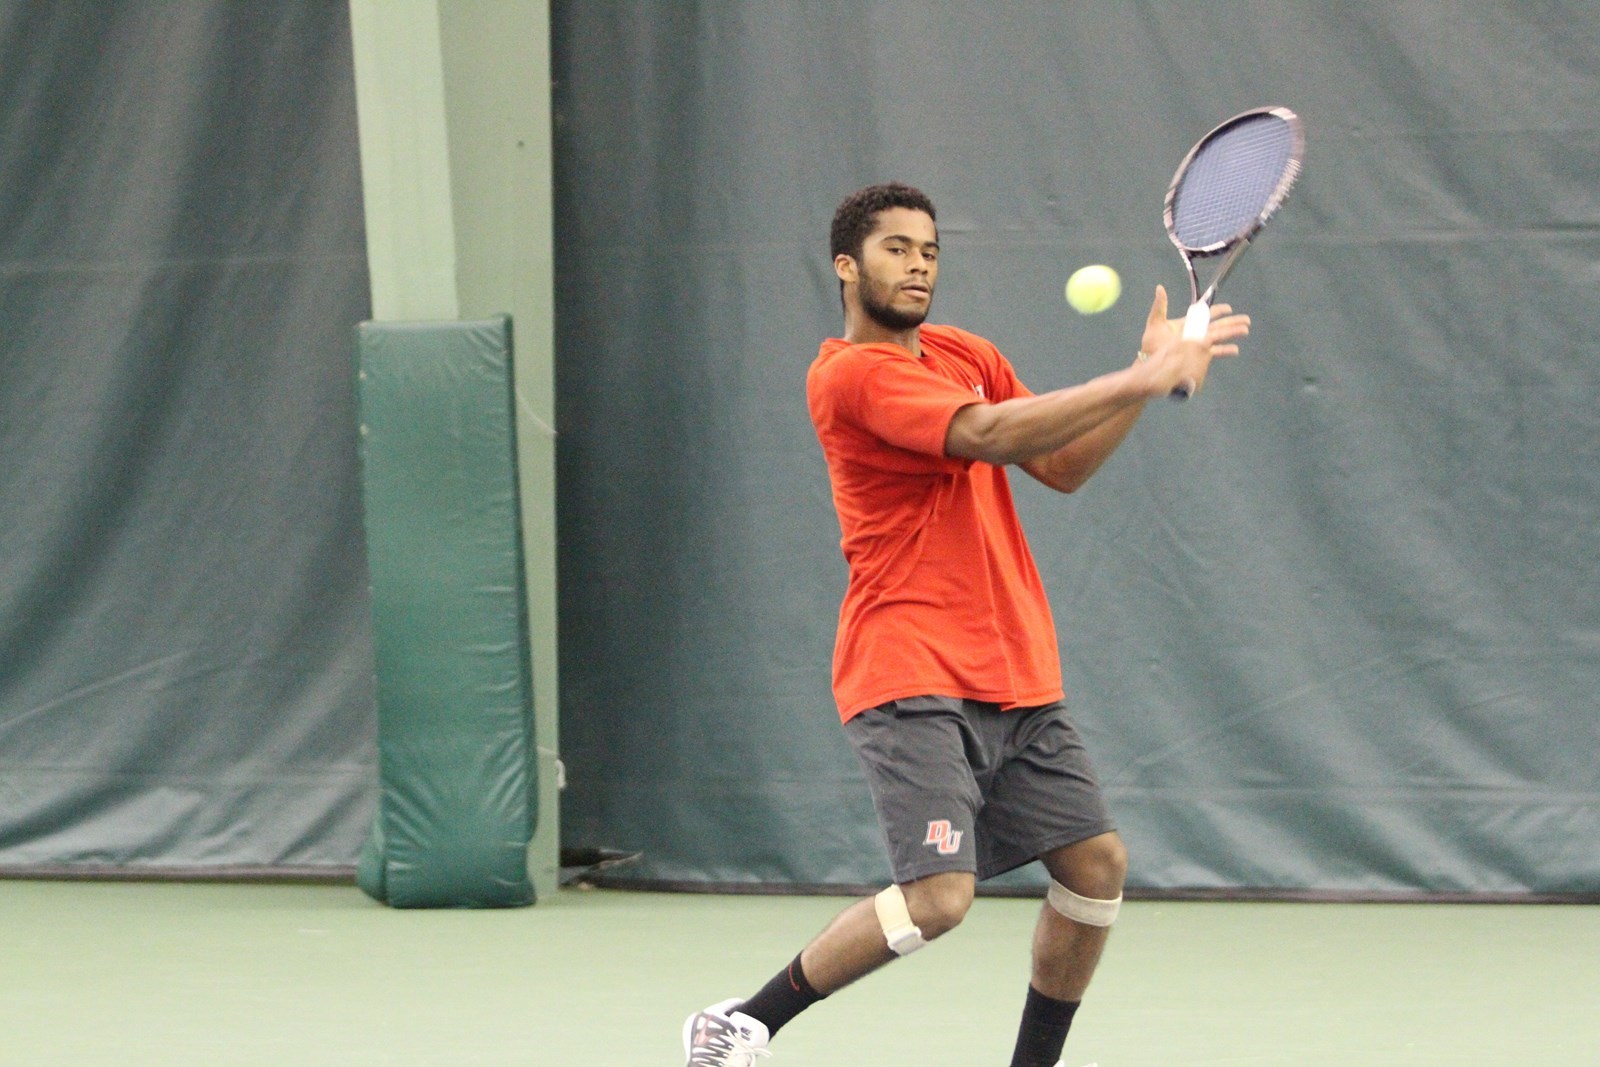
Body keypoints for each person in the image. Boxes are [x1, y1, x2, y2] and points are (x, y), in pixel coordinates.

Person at [682, 182, 1249, 1067]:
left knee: (1095, 867)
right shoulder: (850, 375)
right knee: (940, 898)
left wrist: (1139, 391)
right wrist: (1136, 374)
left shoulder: (965, 351)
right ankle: (745, 1021)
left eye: (930, 250)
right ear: (847, 265)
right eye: (897, 248)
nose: (918, 265)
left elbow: (1057, 463)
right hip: (908, 668)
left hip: (1015, 671)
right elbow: (984, 434)